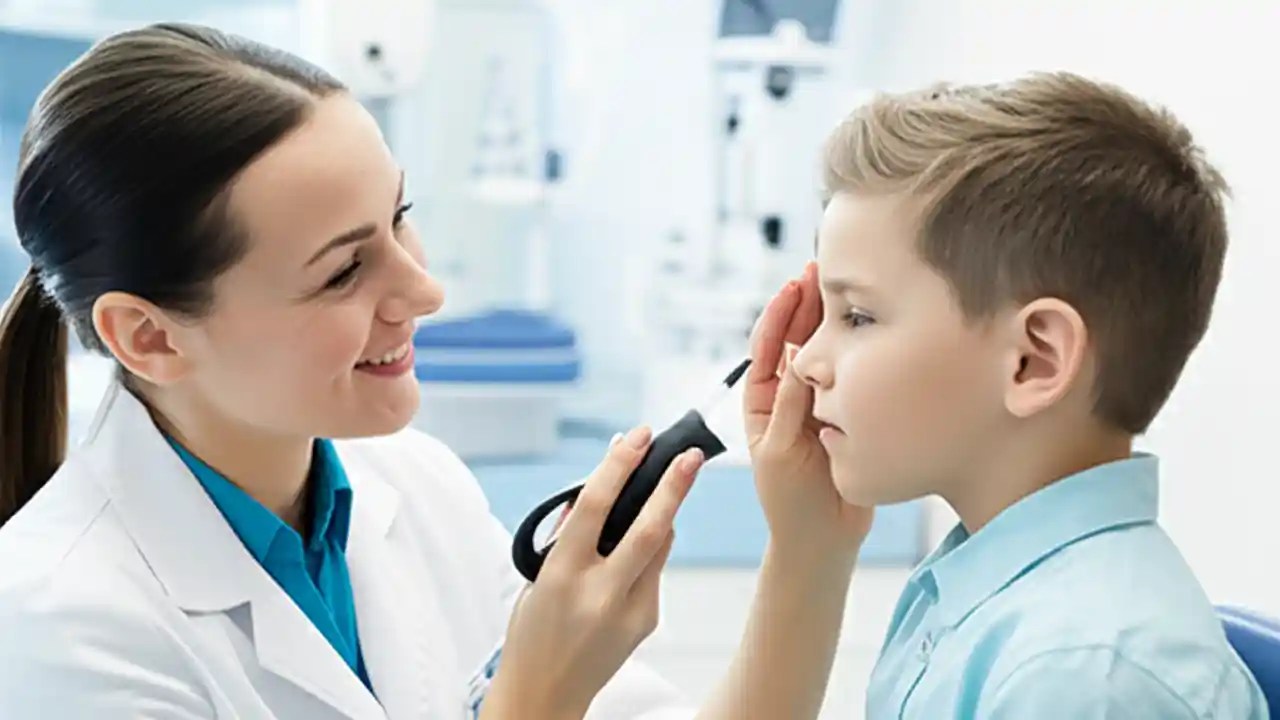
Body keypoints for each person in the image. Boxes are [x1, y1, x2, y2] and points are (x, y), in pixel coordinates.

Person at [0, 23, 866, 720]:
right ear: (148, 337)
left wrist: (812, 547)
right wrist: (536, 698)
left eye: (399, 218)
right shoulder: (57, 630)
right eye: (342, 271)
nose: (426, 290)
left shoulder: (417, 494)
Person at [743, 72, 1270, 718]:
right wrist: (807, 546)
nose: (809, 362)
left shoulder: (1081, 678)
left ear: (1033, 360)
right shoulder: (981, 589)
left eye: (856, 316)